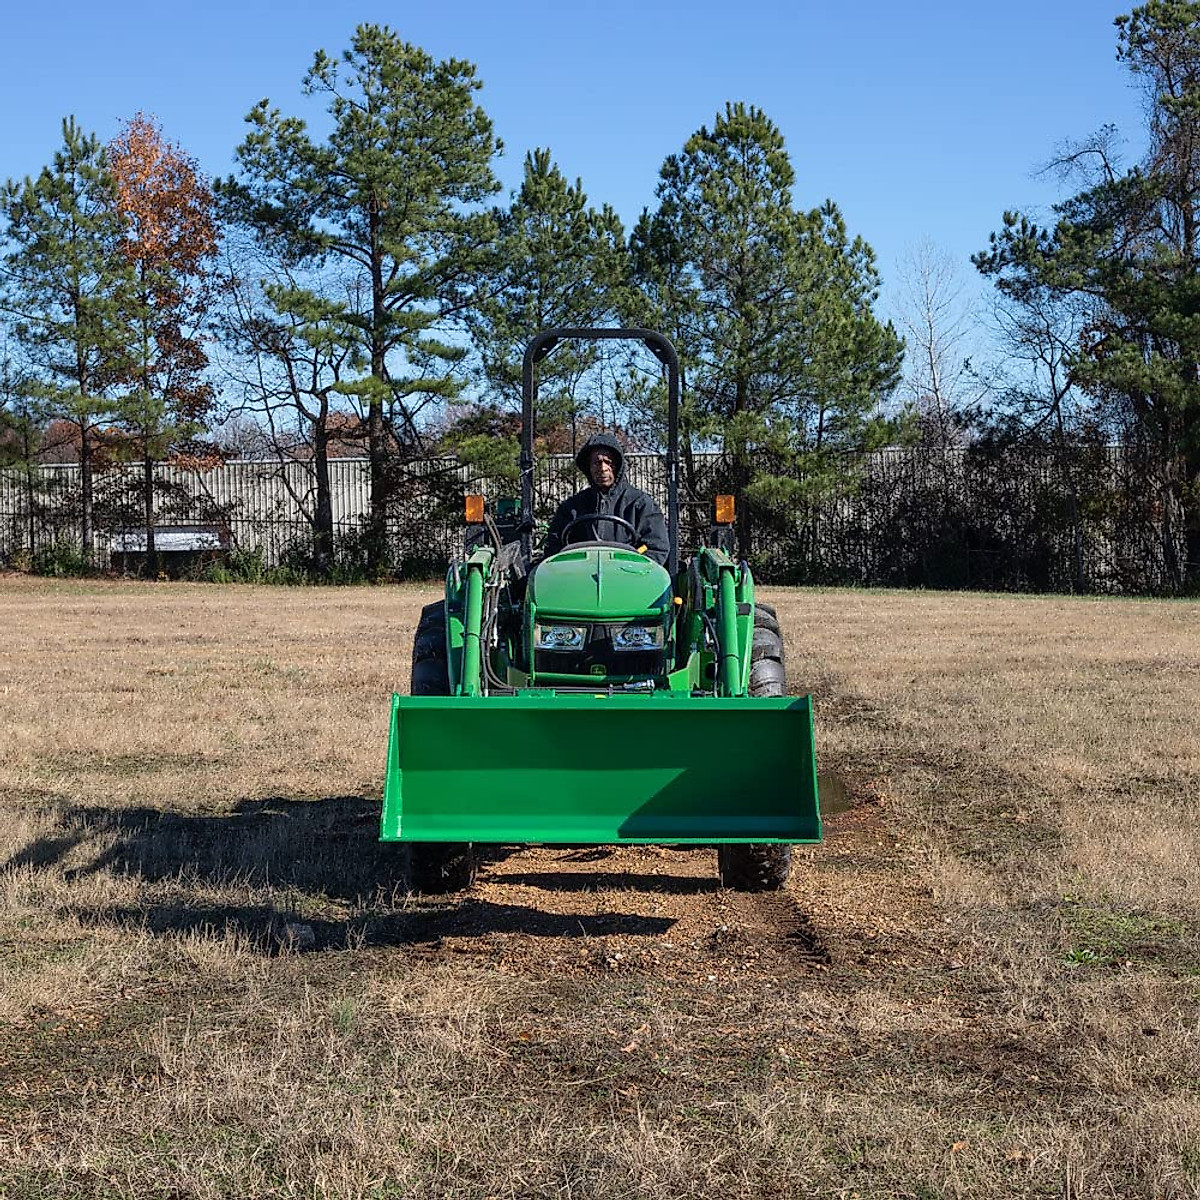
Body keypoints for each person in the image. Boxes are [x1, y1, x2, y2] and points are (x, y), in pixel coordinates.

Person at [544, 433, 670, 565]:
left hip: (628, 575)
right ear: (588, 467)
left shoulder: (640, 504)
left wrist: (632, 563)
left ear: (617, 466)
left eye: (608, 462)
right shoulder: (572, 507)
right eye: (596, 463)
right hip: (581, 576)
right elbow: (554, 548)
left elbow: (656, 547)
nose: (603, 468)